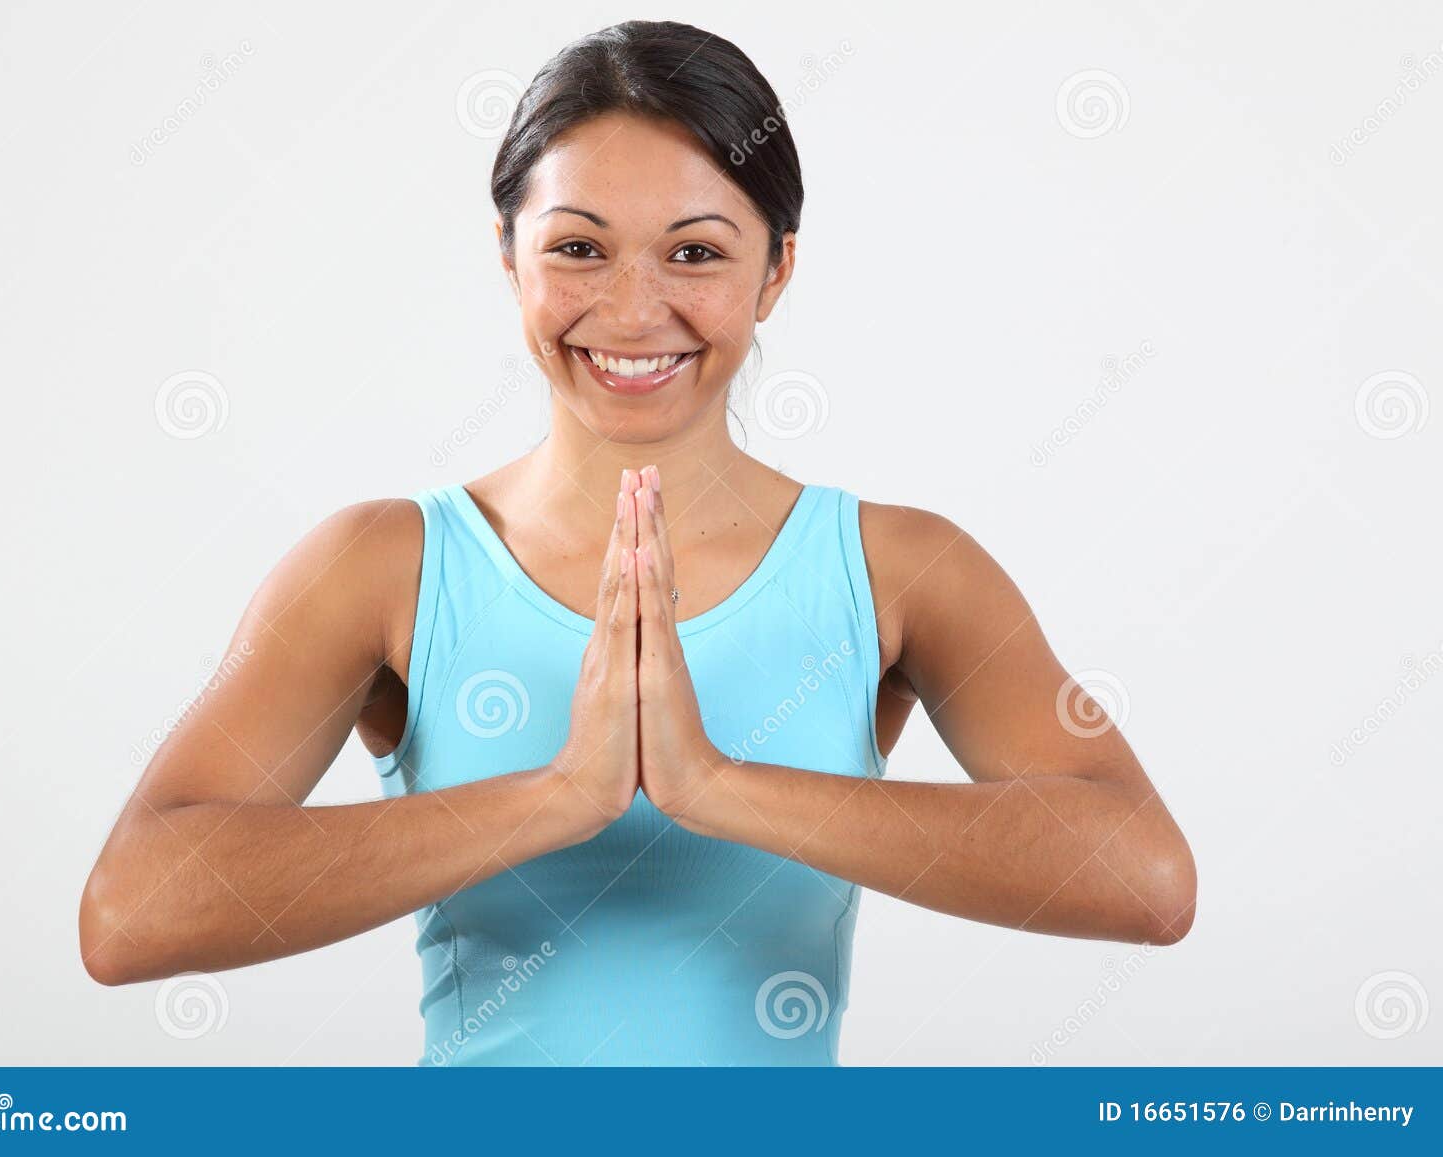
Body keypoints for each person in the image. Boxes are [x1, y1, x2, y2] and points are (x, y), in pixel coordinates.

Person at [79, 19, 1196, 1066]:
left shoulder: (901, 568)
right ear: (508, 254)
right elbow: (131, 911)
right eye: (578, 247)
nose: (630, 308)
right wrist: (561, 792)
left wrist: (713, 783)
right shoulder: (379, 565)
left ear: (777, 271)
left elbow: (1144, 877)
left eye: (696, 253)